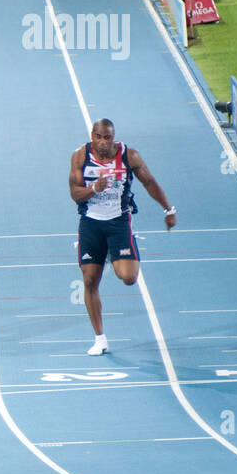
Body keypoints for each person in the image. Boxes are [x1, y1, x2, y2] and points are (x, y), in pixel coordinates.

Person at [69, 120, 176, 356]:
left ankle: (118, 250)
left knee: (128, 278)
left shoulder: (129, 156)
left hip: (119, 222)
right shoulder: (79, 156)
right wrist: (94, 189)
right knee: (89, 281)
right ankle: (100, 338)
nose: (103, 142)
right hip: (91, 223)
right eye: (99, 137)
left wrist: (168, 209)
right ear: (93, 137)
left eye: (108, 138)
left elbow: (149, 182)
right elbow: (75, 194)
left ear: (113, 137)